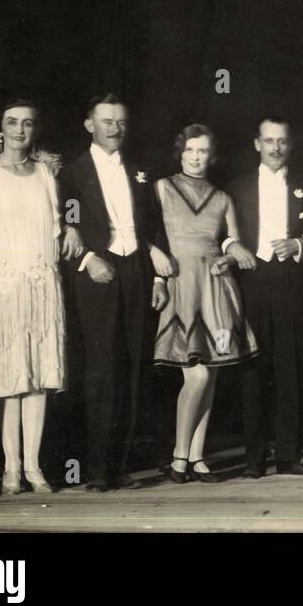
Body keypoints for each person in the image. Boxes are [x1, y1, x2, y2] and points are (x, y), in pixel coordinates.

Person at [62, 93, 174, 492]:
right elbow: (65, 222)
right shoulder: (71, 173)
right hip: (98, 272)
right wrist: (88, 258)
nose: (115, 128)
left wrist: (159, 278)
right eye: (107, 120)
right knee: (100, 371)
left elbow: (155, 226)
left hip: (137, 271)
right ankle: (95, 471)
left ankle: (120, 466)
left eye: (121, 122)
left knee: (133, 371)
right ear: (90, 124)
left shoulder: (140, 170)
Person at [153, 125, 258, 483]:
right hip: (181, 282)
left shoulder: (223, 197)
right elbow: (149, 236)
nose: (197, 157)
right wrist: (158, 271)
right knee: (195, 374)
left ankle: (196, 457)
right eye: (191, 150)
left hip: (215, 287)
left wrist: (227, 258)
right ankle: (178, 456)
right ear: (180, 152)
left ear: (211, 155)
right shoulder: (163, 188)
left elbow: (234, 244)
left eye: (203, 151)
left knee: (210, 374)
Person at [0, 100, 68, 495]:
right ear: (0, 128)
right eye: (12, 122)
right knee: (12, 380)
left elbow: (59, 225)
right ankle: (10, 467)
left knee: (39, 380)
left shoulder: (46, 173)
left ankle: (33, 466)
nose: (19, 130)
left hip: (44, 283)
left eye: (27, 123)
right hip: (8, 285)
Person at [231, 117, 303, 478]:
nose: (275, 148)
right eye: (269, 141)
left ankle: (289, 456)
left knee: (291, 371)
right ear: (257, 144)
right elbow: (220, 230)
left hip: (291, 284)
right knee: (253, 371)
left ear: (290, 145)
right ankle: (254, 460)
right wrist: (232, 245)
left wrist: (300, 243)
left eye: (282, 142)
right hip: (251, 281)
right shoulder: (237, 187)